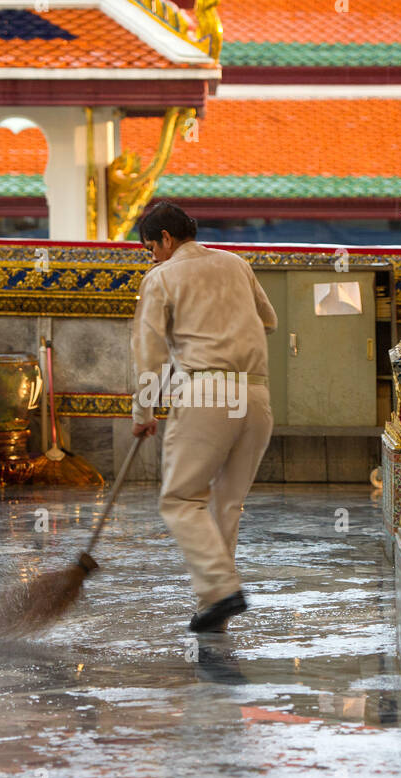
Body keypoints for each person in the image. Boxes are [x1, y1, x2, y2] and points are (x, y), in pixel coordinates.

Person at [131, 201, 277, 633]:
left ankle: (220, 590)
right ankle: (215, 605)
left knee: (180, 499)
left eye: (150, 248)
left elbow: (148, 355)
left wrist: (144, 411)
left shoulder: (161, 276)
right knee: (225, 504)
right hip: (254, 396)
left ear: (166, 240)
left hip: (206, 395)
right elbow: (268, 319)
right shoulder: (235, 263)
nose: (151, 257)